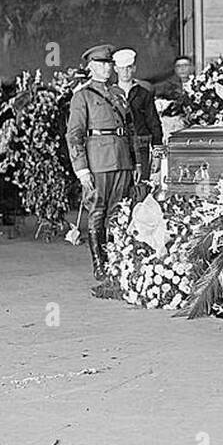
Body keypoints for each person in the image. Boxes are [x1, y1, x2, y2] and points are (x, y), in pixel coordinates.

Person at [65, 44, 138, 282]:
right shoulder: (82, 95)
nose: (107, 68)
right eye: (101, 64)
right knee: (97, 211)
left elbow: (130, 130)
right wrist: (81, 169)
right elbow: (74, 135)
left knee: (120, 211)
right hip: (97, 162)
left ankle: (117, 261)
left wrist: (136, 163)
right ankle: (100, 264)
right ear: (91, 67)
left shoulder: (118, 94)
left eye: (109, 63)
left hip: (122, 159)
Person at [114, 48, 165, 200]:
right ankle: (119, 222)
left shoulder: (143, 93)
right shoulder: (110, 94)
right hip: (118, 146)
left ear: (134, 68)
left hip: (141, 145)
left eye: (129, 67)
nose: (126, 72)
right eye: (122, 68)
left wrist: (157, 154)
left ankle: (138, 221)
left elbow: (154, 123)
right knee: (119, 187)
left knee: (141, 186)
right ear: (116, 69)